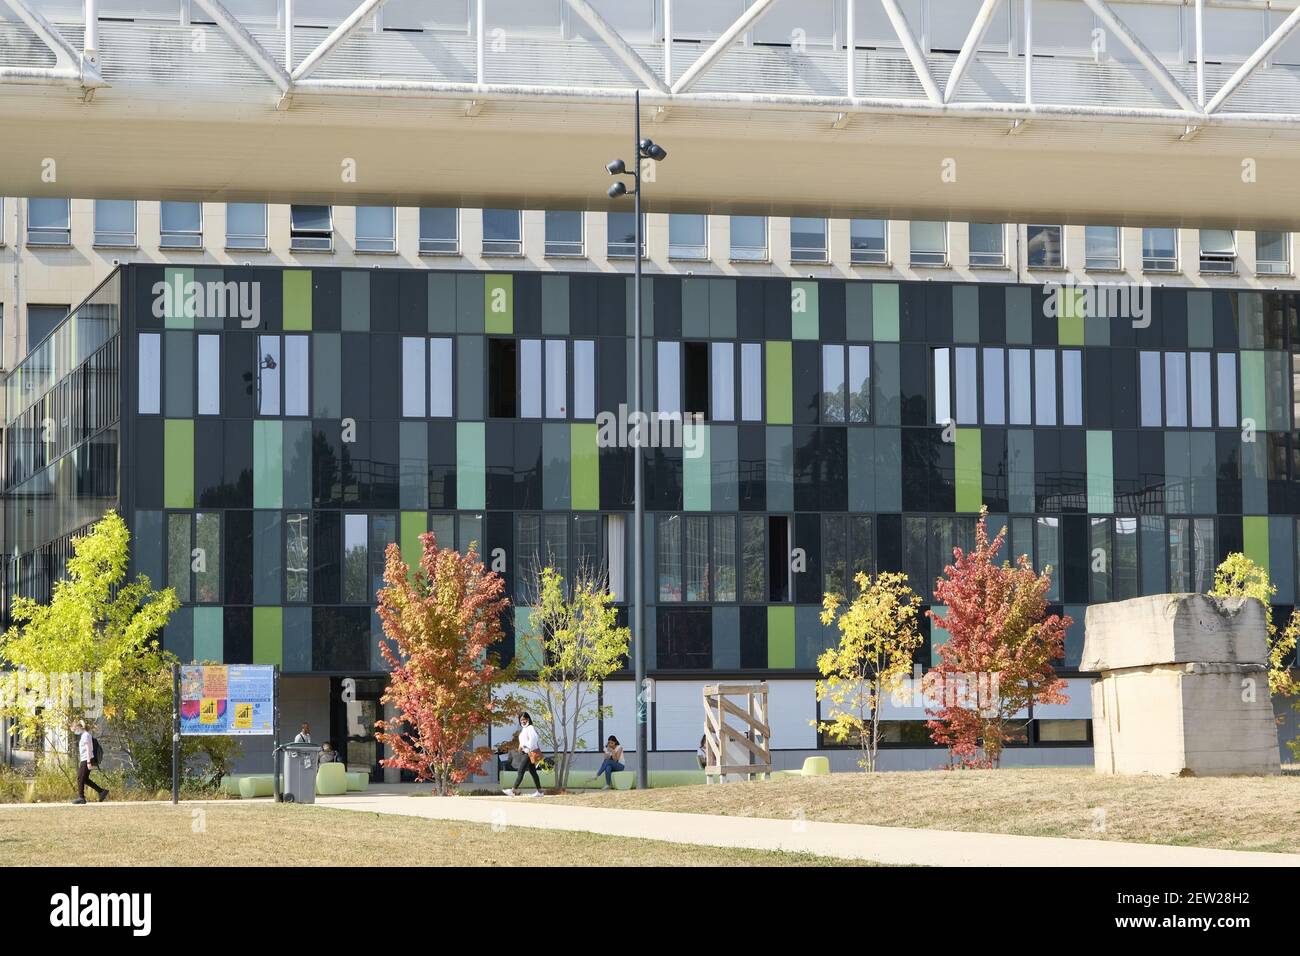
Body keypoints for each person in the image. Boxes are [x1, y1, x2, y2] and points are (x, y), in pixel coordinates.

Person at [503, 712, 543, 798]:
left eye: (524, 719)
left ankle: (513, 790)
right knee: (533, 772)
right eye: (521, 720)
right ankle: (540, 791)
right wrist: (520, 746)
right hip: (526, 752)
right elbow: (523, 740)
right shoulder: (524, 729)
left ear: (528, 719)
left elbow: (534, 738)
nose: (523, 721)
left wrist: (526, 746)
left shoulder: (530, 727)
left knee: (520, 770)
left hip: (530, 752)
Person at [71, 720, 108, 805]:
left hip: (86, 759)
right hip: (85, 759)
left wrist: (88, 762)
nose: (75, 732)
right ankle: (102, 791)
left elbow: (88, 749)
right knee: (85, 779)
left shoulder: (86, 735)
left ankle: (81, 797)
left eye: (74, 730)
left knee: (80, 778)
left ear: (79, 727)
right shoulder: (84, 735)